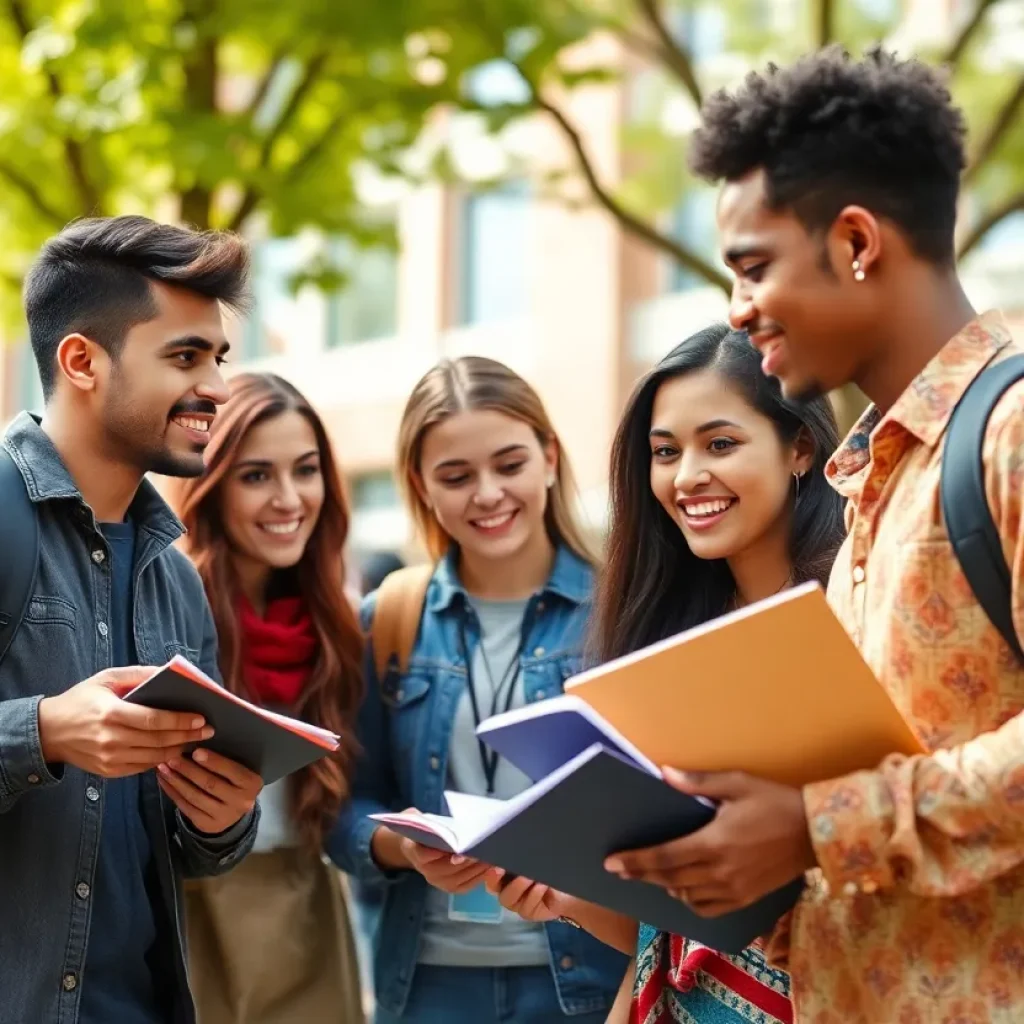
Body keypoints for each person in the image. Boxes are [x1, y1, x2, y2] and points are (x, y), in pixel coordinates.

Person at [606, 46, 1024, 1023]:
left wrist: (814, 825)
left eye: (754, 267)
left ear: (856, 241)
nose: (738, 309)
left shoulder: (1010, 434)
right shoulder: (872, 480)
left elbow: (842, 820)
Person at [483, 324, 845, 1024]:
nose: (686, 478)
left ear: (799, 446)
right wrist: (562, 894)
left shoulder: (858, 608)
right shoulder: (661, 636)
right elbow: (669, 936)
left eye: (720, 444)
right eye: (665, 452)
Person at [0, 215, 263, 1024]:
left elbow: (187, 853)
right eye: (185, 357)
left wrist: (222, 819)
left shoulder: (177, 579)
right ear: (82, 360)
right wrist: (42, 732)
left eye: (218, 358)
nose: (218, 388)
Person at [330, 356, 627, 1022]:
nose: (488, 494)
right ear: (421, 485)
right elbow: (344, 808)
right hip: (428, 987)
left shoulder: (621, 612)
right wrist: (405, 849)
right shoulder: (390, 618)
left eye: (509, 464)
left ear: (549, 458)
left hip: (585, 979)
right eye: (457, 476)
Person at [170, 373, 365, 1023]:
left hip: (305, 909)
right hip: (187, 910)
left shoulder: (335, 622)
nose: (288, 498)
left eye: (305, 470)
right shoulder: (166, 610)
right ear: (212, 484)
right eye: (256, 476)